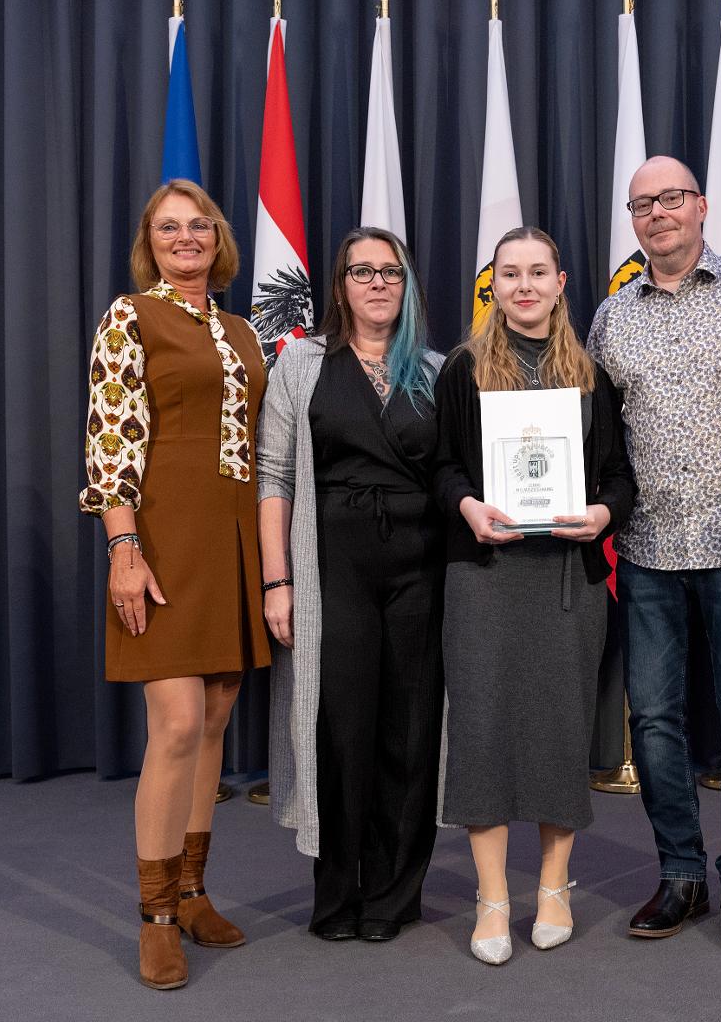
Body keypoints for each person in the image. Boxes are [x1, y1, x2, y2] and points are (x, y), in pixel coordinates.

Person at [587, 157, 721, 947]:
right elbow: (599, 438)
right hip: (646, 551)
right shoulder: (612, 317)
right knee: (655, 723)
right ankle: (680, 874)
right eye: (642, 204)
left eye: (670, 198)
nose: (657, 214)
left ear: (701, 206)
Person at [78, 179, 268, 990]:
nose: (186, 238)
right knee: (179, 722)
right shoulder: (130, 316)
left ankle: (193, 892)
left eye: (199, 226)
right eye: (169, 227)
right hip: (162, 532)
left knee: (217, 712)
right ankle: (155, 915)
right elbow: (111, 434)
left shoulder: (241, 330)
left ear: (218, 238)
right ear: (149, 241)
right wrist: (124, 547)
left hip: (231, 535)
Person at [434, 227, 635, 965]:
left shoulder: (592, 375)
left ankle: (554, 887)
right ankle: (492, 897)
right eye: (509, 274)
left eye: (536, 273)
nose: (524, 286)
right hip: (483, 578)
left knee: (557, 728)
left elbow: (620, 477)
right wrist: (467, 508)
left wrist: (604, 514)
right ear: (496, 286)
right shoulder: (462, 371)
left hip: (565, 580)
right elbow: (442, 468)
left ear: (560, 282)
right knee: (484, 731)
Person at [255, 227, 445, 943]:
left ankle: (394, 895)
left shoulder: (432, 368)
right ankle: (337, 895)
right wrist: (279, 581)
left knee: (409, 730)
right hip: (330, 567)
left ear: (407, 285)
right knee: (340, 730)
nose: (376, 283)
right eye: (361, 271)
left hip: (419, 572)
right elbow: (273, 477)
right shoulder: (300, 364)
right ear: (340, 285)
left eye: (389, 271)